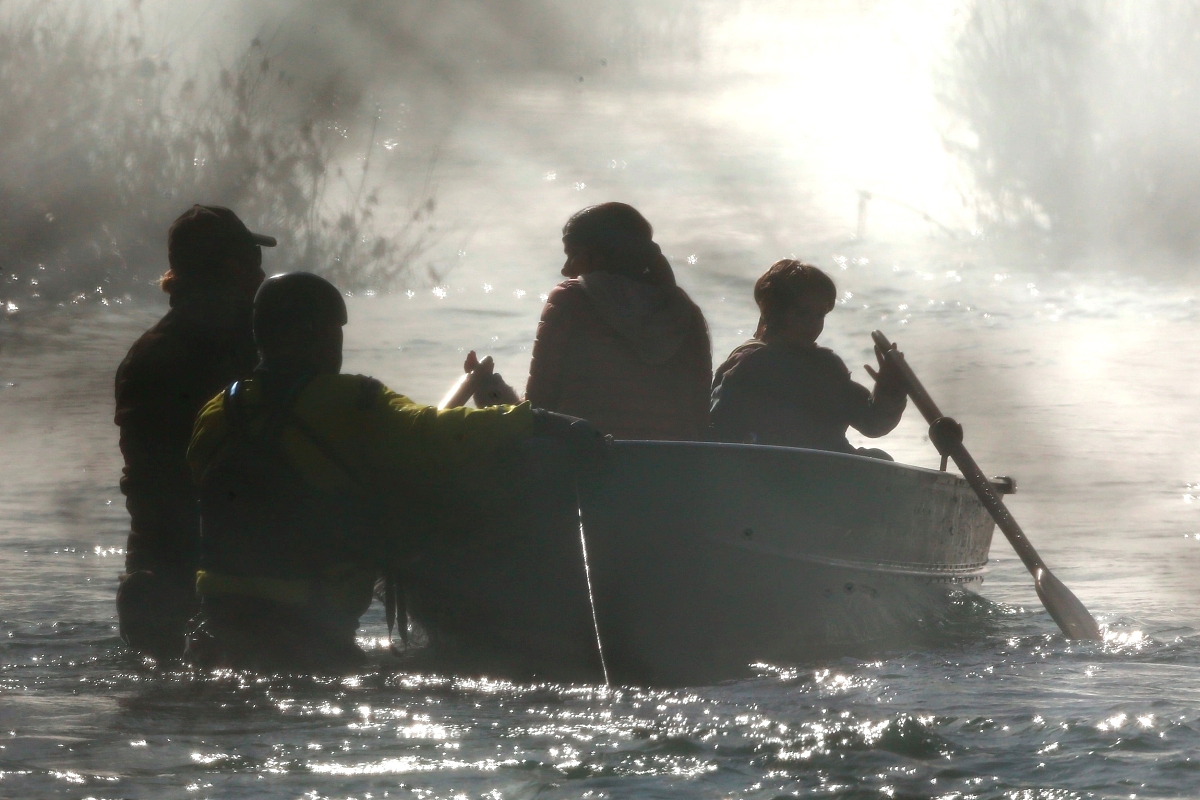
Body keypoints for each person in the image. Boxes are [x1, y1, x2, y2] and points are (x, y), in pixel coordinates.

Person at [186, 272, 604, 672]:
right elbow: (436, 433)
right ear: (322, 336)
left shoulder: (217, 410)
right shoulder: (354, 402)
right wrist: (538, 420)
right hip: (309, 630)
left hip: (219, 620)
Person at [114, 205, 274, 661]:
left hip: (152, 575)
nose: (261, 277)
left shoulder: (143, 354)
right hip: (228, 580)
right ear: (233, 269)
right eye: (254, 264)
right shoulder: (250, 347)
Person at [470, 203, 712, 440]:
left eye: (572, 254)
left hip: (587, 469)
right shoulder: (687, 314)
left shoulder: (571, 300)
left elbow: (537, 418)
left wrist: (488, 389)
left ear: (599, 255)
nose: (566, 269)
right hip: (672, 472)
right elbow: (700, 421)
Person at [710, 259, 907, 457]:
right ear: (775, 313)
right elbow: (718, 427)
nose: (812, 324)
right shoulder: (749, 364)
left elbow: (872, 423)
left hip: (827, 465)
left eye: (819, 315)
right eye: (802, 314)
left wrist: (889, 391)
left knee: (880, 458)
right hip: (766, 467)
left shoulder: (827, 367)